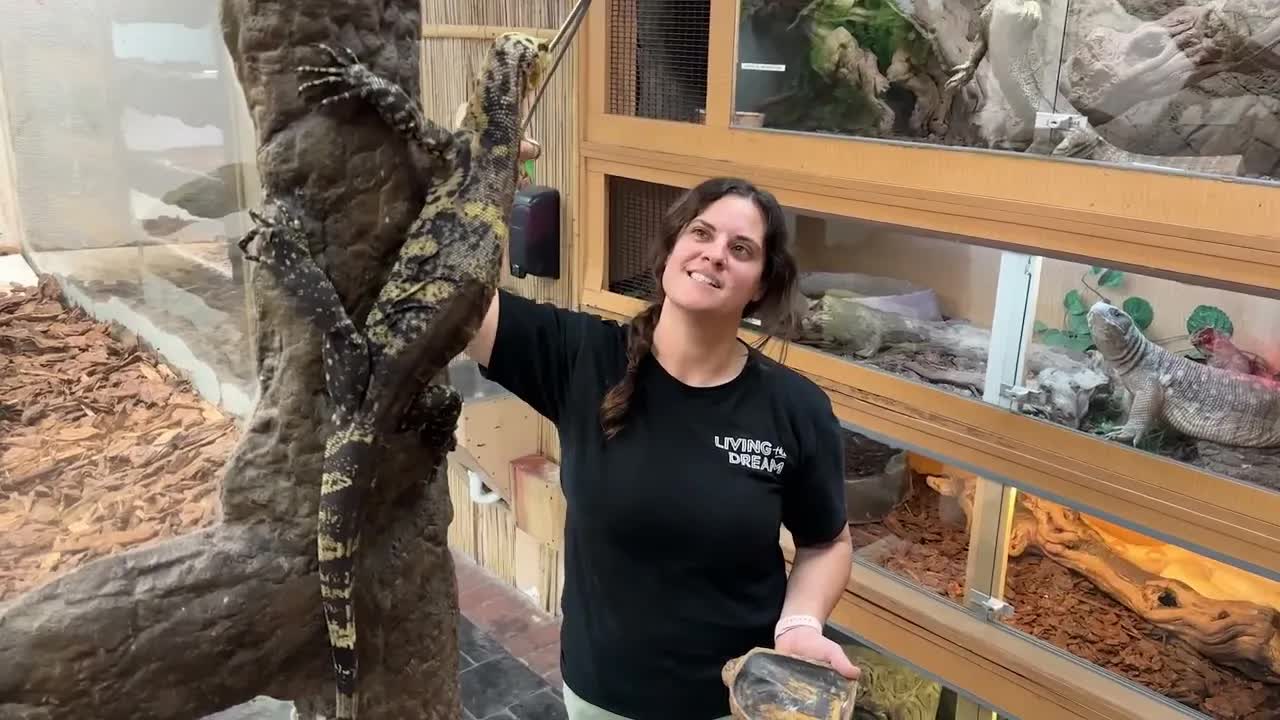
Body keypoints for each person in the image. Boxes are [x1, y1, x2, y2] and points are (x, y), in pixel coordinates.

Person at [463, 172, 858, 720]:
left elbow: (826, 543)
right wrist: (479, 169)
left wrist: (799, 625)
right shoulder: (582, 357)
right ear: (673, 248)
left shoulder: (795, 407)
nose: (716, 254)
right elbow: (446, 298)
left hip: (736, 701)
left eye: (740, 249)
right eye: (702, 233)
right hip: (604, 696)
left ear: (760, 285)